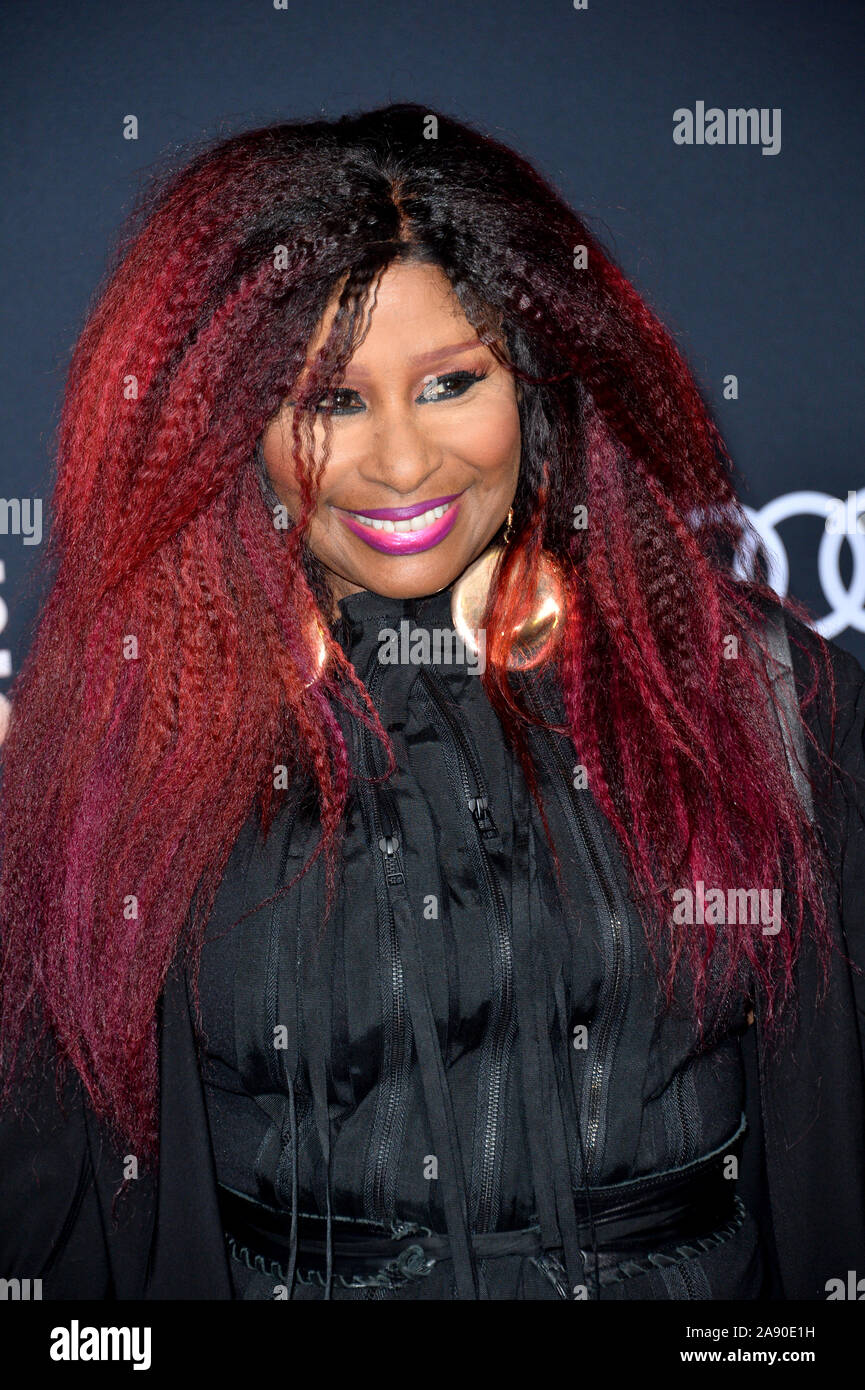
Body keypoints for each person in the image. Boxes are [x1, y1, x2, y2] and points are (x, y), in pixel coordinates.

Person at [1, 102, 863, 1302]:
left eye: (453, 382)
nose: (401, 464)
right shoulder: (122, 747)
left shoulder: (752, 695)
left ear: (543, 383)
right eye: (331, 401)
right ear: (229, 426)